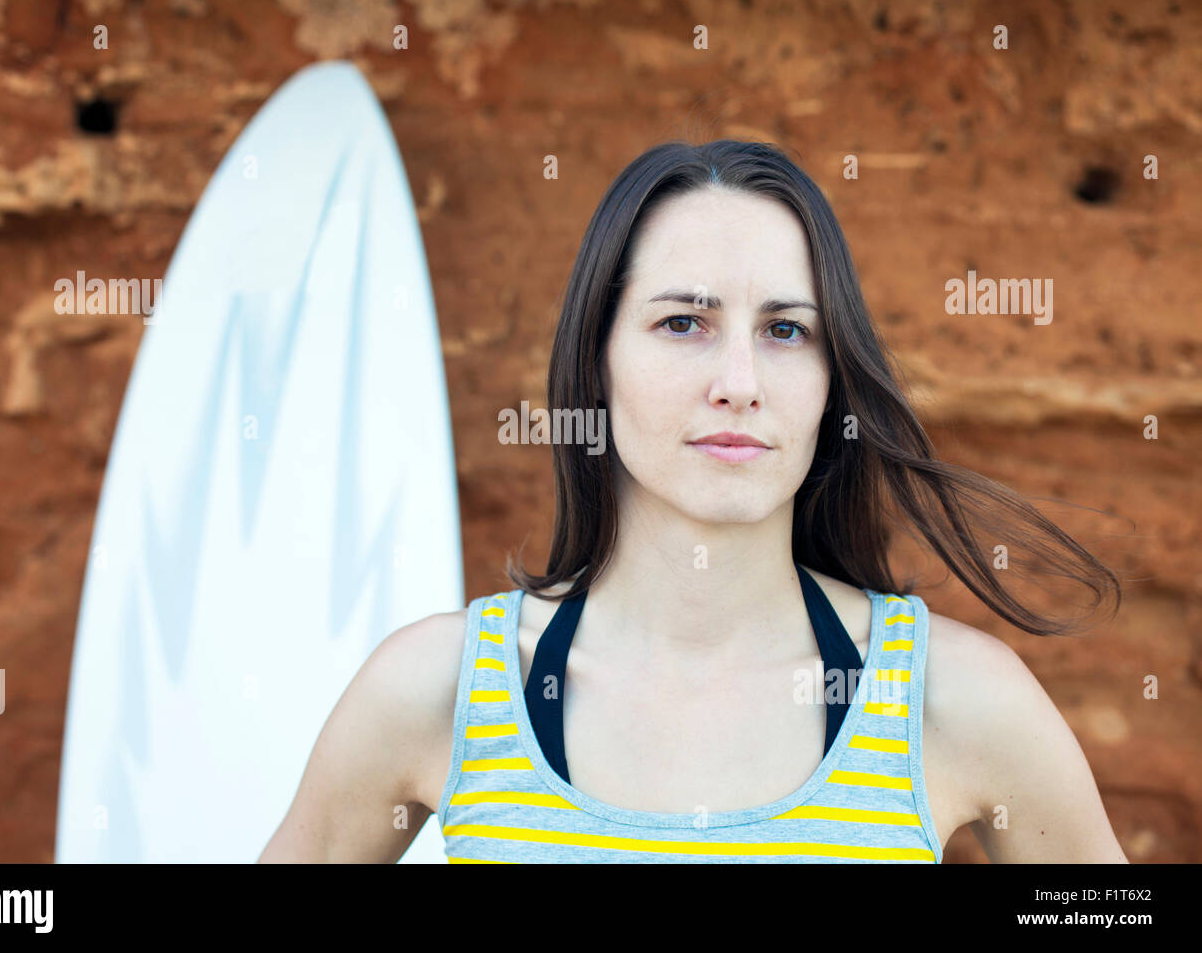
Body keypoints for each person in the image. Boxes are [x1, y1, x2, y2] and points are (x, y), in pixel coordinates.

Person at [258, 139, 1127, 863]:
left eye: (787, 331)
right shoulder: (439, 691)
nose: (740, 384)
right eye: (684, 323)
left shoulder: (954, 699)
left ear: (833, 381)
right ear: (596, 362)